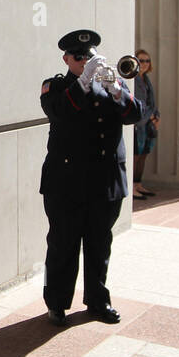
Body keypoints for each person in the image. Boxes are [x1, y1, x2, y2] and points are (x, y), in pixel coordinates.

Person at [40, 29, 144, 326]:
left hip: (104, 181)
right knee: (63, 245)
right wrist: (84, 81)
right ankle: (57, 303)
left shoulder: (113, 84)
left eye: (89, 56)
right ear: (66, 59)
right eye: (78, 57)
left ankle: (98, 300)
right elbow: (59, 111)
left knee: (100, 244)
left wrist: (115, 88)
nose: (84, 61)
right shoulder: (55, 87)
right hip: (66, 184)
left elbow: (135, 114)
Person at [131, 48, 159, 199]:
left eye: (147, 61)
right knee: (135, 156)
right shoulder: (134, 79)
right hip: (138, 124)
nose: (144, 64)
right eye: (141, 60)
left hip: (148, 124)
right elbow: (139, 104)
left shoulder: (146, 79)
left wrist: (157, 116)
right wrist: (150, 116)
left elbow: (152, 102)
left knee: (143, 155)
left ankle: (138, 184)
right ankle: (131, 188)